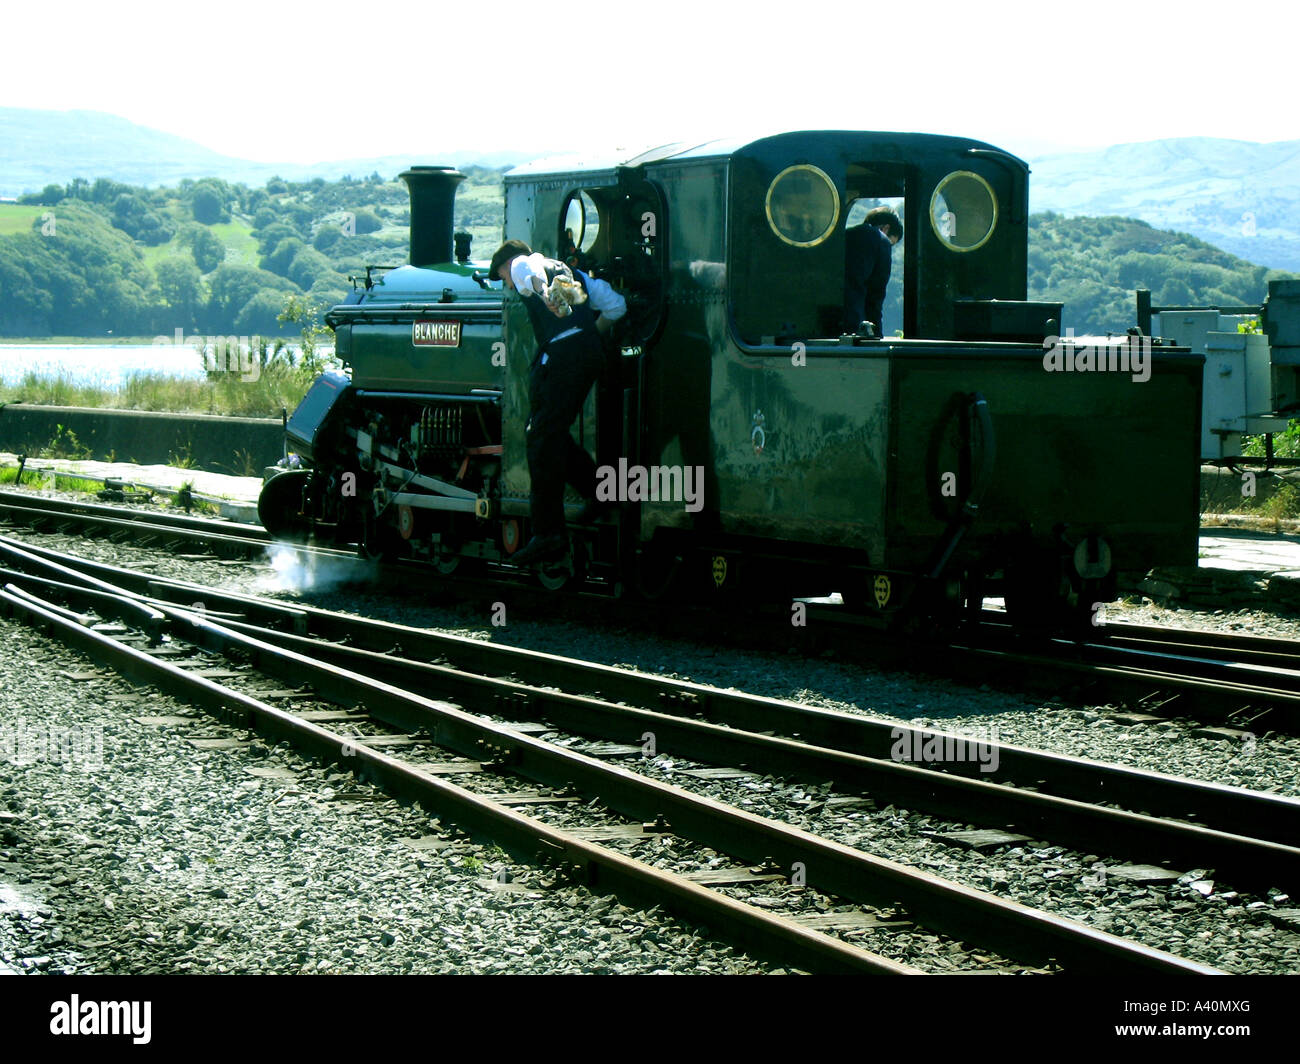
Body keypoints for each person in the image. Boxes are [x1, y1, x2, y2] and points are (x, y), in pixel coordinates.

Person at [489, 239, 626, 566]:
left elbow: (529, 273)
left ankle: (549, 533)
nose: (508, 285)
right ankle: (601, 491)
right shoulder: (574, 273)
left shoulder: (523, 264)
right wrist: (589, 334)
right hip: (588, 357)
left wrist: (545, 292)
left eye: (503, 277)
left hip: (562, 360)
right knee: (552, 434)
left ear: (507, 264)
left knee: (540, 437)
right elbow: (617, 305)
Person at [843, 206, 903, 336]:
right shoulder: (881, 241)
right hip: (854, 325)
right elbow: (876, 295)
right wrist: (876, 335)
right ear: (885, 229)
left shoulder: (846, 236)